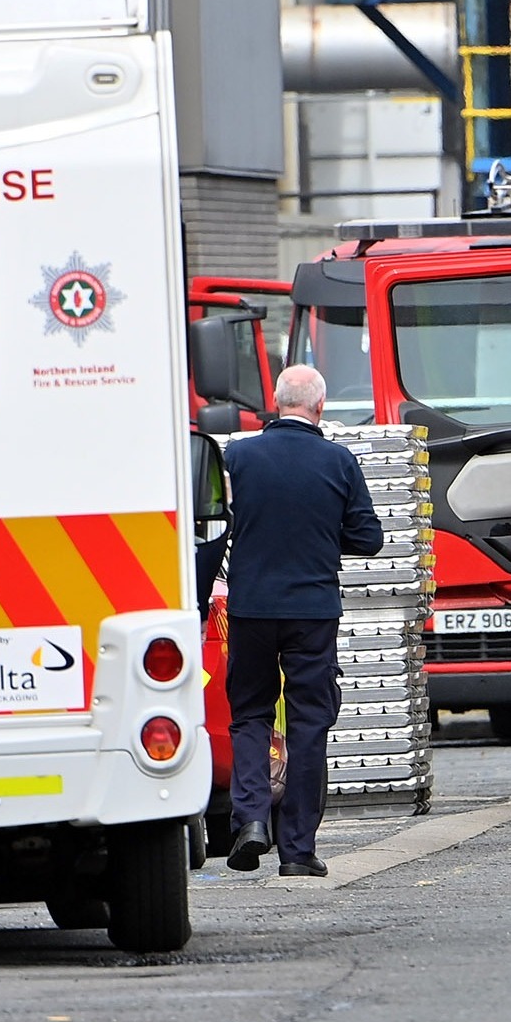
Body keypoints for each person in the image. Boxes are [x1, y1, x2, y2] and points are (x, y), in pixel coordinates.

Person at [217, 364, 383, 877]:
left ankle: (250, 819)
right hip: (313, 612)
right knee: (309, 724)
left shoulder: (238, 456)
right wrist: (323, 534)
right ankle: (297, 851)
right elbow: (369, 538)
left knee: (250, 714)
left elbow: (215, 524)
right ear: (320, 406)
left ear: (276, 400)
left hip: (251, 608)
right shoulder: (338, 461)